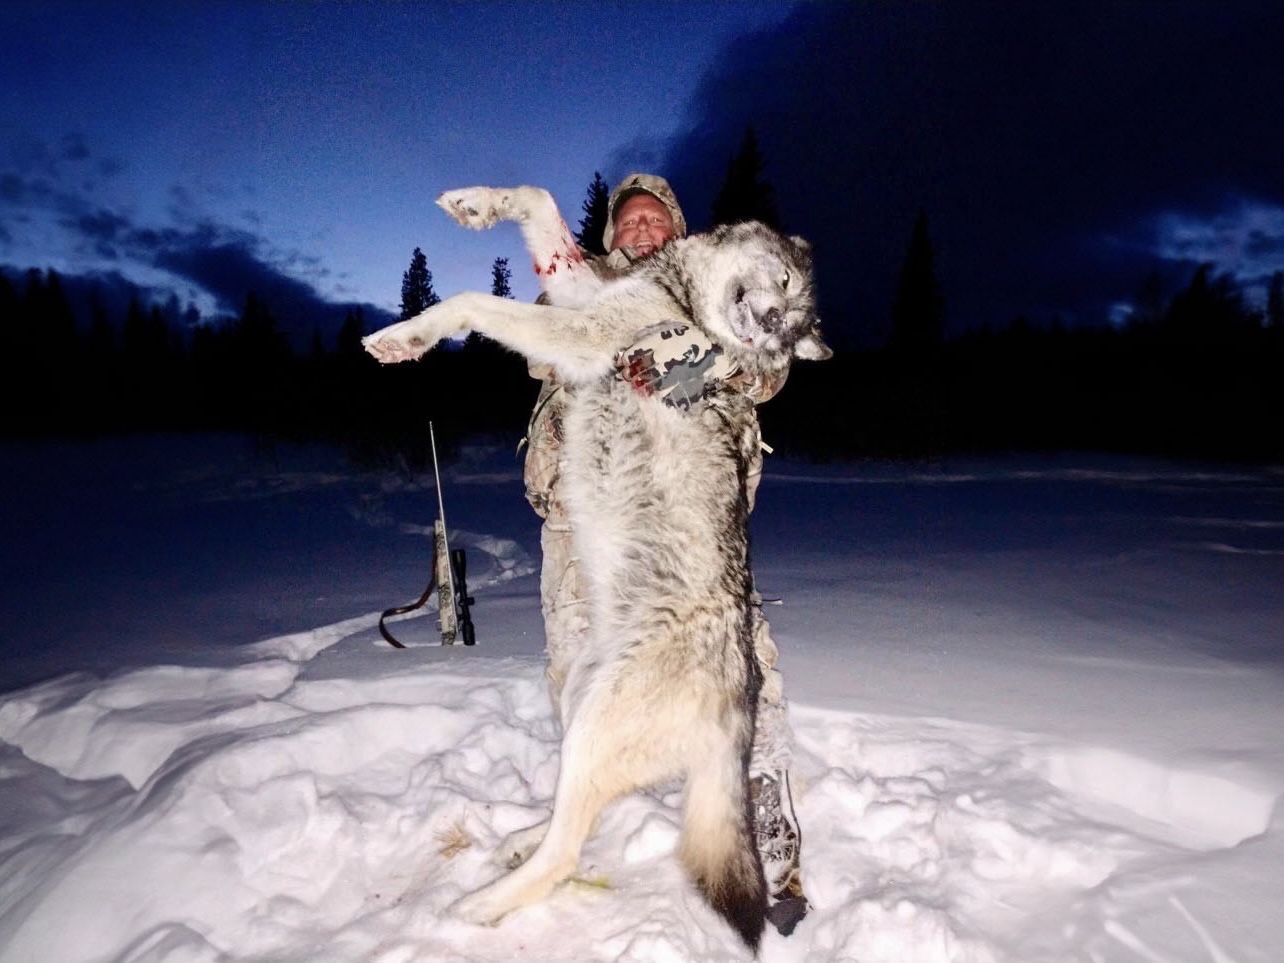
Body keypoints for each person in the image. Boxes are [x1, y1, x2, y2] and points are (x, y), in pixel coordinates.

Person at [522, 173, 808, 934]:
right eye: (631, 220)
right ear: (613, 235)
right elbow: (550, 340)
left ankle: (765, 823)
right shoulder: (584, 283)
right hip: (590, 514)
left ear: (678, 231)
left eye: (657, 219)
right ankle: (597, 807)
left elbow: (772, 366)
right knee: (580, 669)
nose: (643, 228)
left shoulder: (715, 286)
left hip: (688, 524)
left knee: (740, 668)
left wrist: (717, 360)